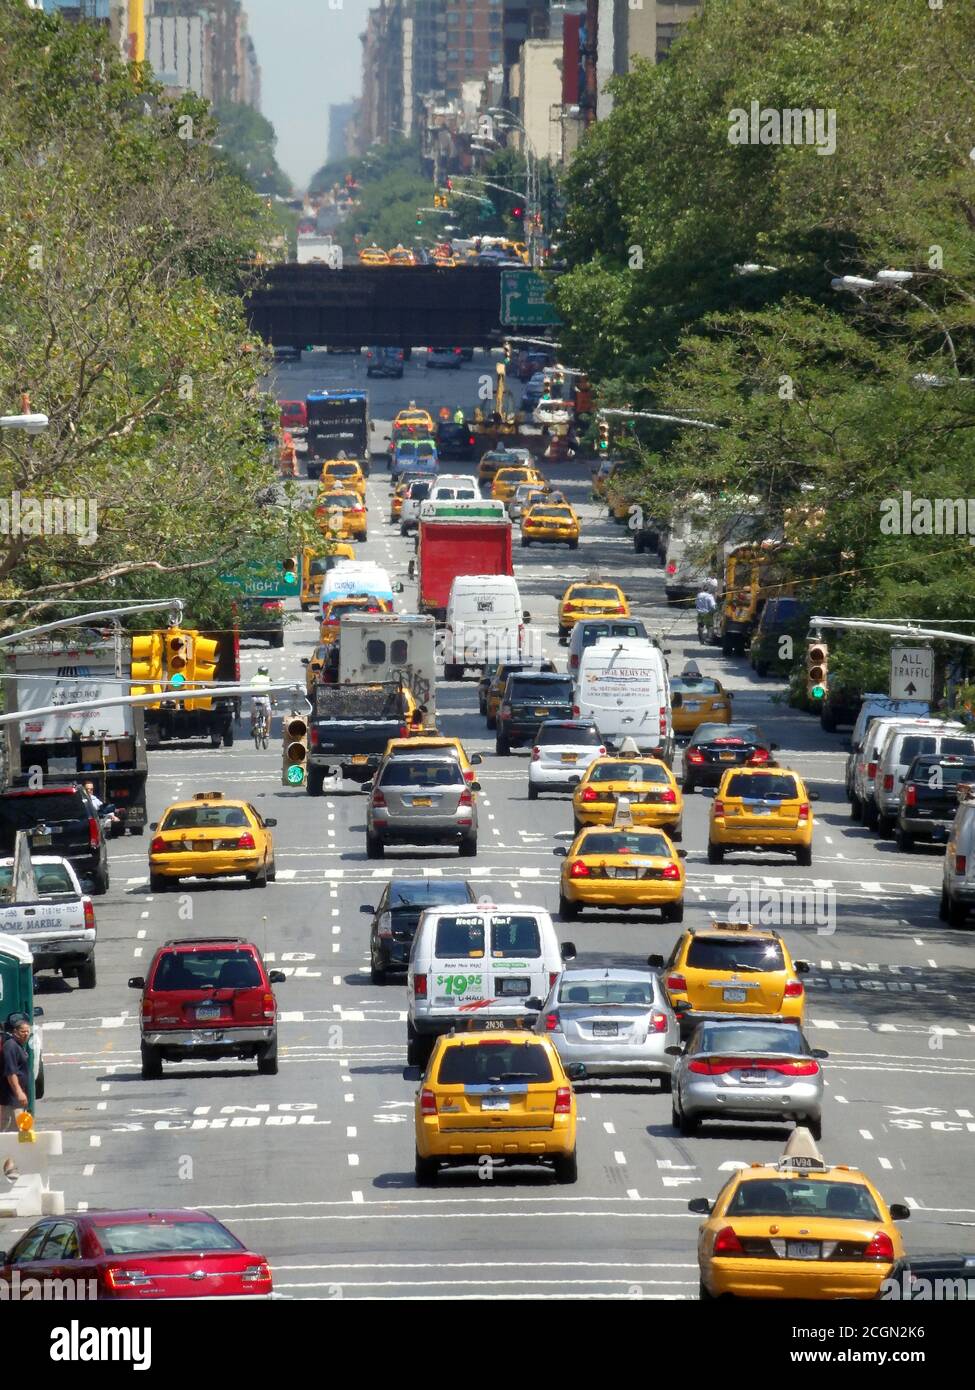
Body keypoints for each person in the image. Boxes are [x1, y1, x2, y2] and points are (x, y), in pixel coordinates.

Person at [1, 1015, 31, 1179]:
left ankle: (11, 1164)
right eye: (23, 1031)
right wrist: (19, 1092)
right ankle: (10, 1166)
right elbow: (10, 1073)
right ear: (15, 1032)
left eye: (28, 1031)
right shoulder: (10, 1047)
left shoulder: (18, 1045)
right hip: (11, 1098)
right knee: (14, 1131)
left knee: (16, 1130)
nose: (26, 1034)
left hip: (15, 1098)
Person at [250, 665, 273, 735]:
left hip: (254, 697)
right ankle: (267, 733)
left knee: (253, 714)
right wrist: (274, 700)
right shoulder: (269, 678)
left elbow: (250, 688)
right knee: (268, 715)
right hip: (264, 697)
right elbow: (272, 691)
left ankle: (253, 727)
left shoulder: (253, 678)